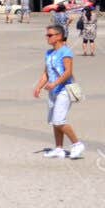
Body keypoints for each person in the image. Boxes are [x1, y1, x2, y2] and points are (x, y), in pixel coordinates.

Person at [34, 23, 83, 159]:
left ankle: (77, 144)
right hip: (53, 91)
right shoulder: (49, 53)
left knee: (59, 120)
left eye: (50, 35)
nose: (47, 38)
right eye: (47, 35)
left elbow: (68, 72)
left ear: (59, 36)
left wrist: (54, 83)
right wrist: (38, 86)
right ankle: (59, 148)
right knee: (54, 121)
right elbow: (46, 73)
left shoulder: (66, 52)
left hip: (64, 90)